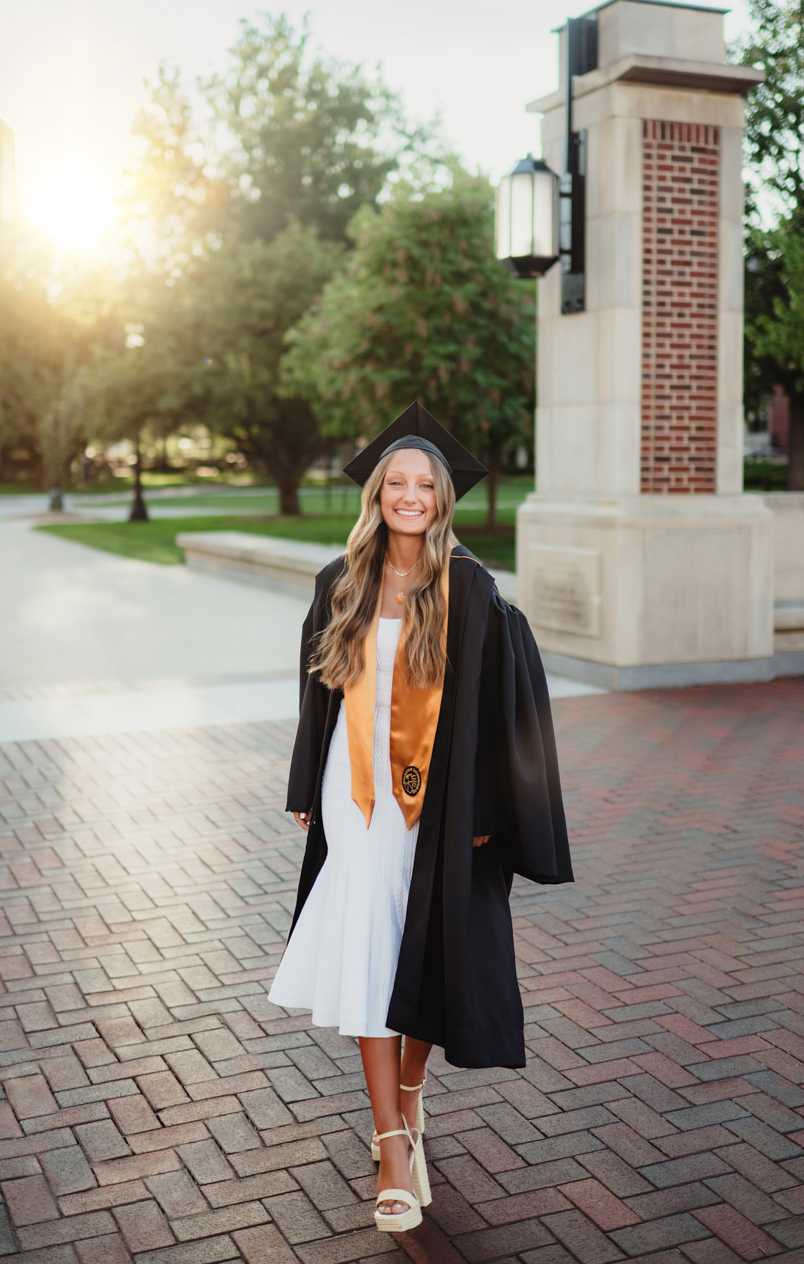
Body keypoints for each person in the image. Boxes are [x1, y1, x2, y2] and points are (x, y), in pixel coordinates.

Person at [267, 402, 573, 1233]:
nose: (409, 496)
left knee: (425, 940)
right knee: (370, 945)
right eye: (395, 483)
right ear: (377, 494)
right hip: (354, 789)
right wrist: (304, 786)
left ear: (443, 498)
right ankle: (392, 1143)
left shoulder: (469, 587)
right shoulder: (341, 579)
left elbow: (502, 710)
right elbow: (317, 691)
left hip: (436, 796)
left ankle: (410, 1088)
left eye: (424, 485)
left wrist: (486, 806)